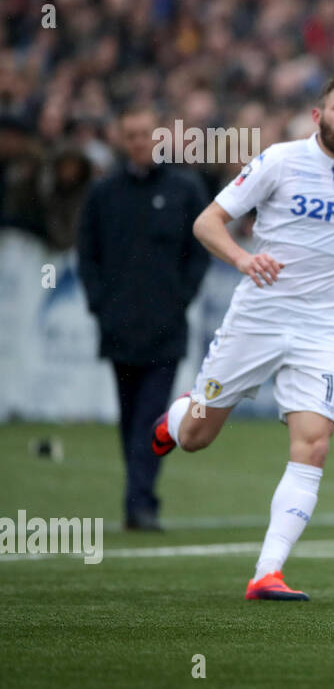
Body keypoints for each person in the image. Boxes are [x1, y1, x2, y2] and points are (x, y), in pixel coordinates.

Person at [150, 75, 334, 600]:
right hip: (257, 318)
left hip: (321, 330)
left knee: (315, 444)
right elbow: (208, 221)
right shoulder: (279, 161)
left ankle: (267, 572)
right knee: (196, 437)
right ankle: (175, 417)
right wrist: (242, 258)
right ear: (317, 114)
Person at [77, 105, 209, 531]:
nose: (139, 142)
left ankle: (140, 502)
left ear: (161, 137)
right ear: (120, 138)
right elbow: (87, 253)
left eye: (145, 134)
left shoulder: (184, 189)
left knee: (153, 415)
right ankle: (139, 499)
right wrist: (100, 304)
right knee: (130, 417)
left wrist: (181, 297)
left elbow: (201, 249)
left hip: (166, 328)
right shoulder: (103, 193)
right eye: (131, 135)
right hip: (118, 328)